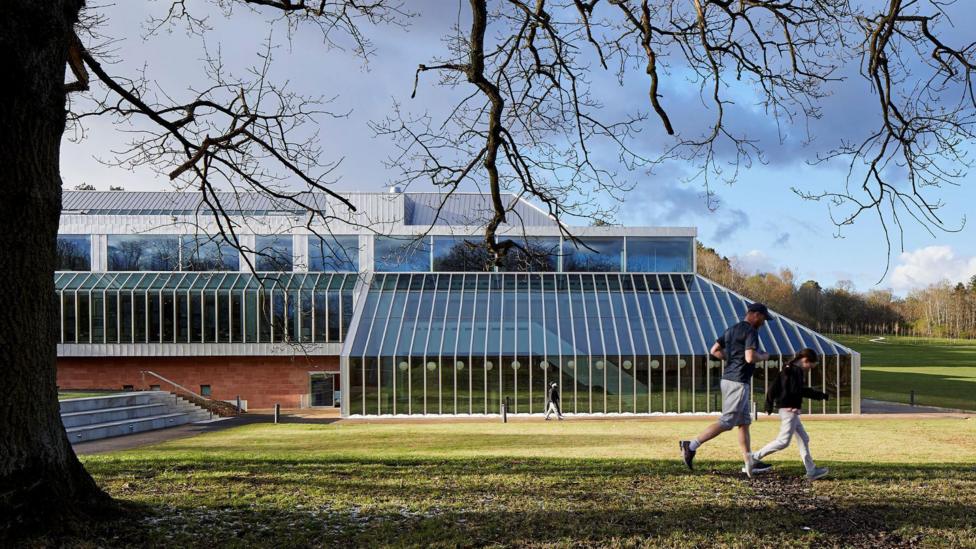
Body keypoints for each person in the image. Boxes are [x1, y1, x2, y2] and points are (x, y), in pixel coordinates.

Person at [680, 302, 773, 477]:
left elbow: (714, 350)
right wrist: (764, 356)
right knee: (727, 422)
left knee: (744, 423)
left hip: (730, 379)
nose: (763, 322)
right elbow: (750, 357)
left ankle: (749, 461)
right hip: (737, 381)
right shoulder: (750, 331)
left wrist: (731, 360)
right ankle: (690, 446)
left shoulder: (731, 330)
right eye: (763, 318)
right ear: (754, 314)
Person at [750, 348, 830, 480]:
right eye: (810, 366)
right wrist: (769, 404)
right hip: (789, 410)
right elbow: (784, 389)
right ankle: (753, 458)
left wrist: (820, 395)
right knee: (783, 442)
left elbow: (781, 388)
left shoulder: (790, 369)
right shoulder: (792, 370)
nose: (809, 369)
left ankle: (811, 470)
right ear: (805, 360)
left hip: (790, 409)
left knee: (804, 438)